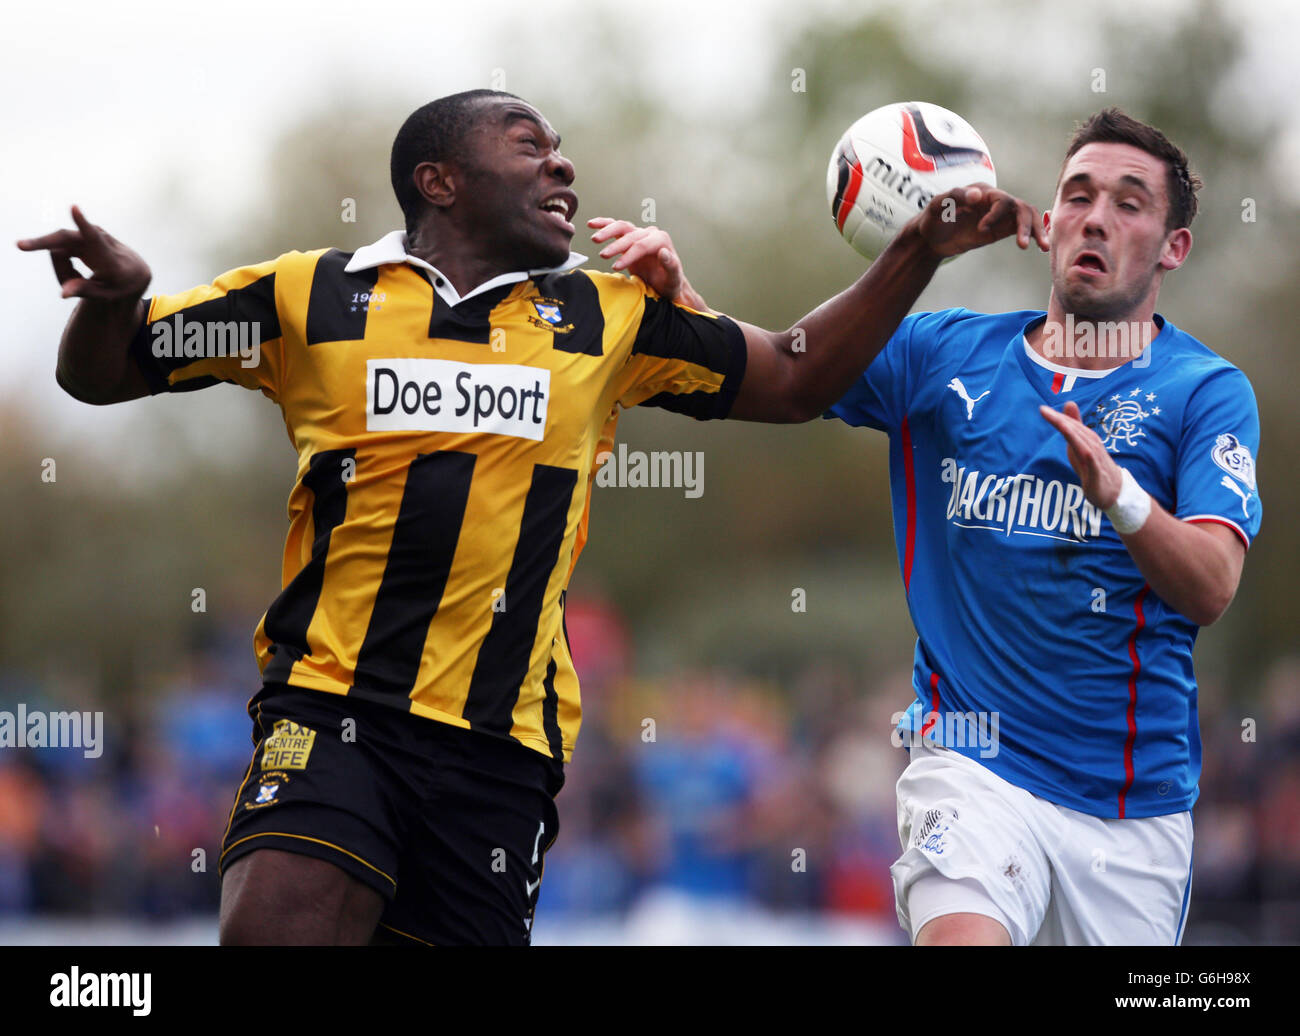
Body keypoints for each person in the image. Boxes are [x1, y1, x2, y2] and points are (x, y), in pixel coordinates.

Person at [18, 88, 1044, 945]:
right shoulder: (310, 297)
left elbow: (793, 376)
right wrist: (115, 299)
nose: (562, 168)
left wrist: (916, 252)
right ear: (439, 180)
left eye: (562, 154)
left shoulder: (608, 316)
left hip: (498, 753)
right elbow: (106, 375)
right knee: (278, 919)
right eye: (530, 147)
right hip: (334, 711)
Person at [819, 108, 1259, 945]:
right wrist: (678, 299)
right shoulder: (940, 355)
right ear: (1048, 222)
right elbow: (787, 369)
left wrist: (1122, 497)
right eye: (1079, 195)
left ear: (1174, 248)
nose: (1096, 216)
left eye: (1130, 203)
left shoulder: (1205, 391)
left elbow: (1211, 585)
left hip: (1129, 814)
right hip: (970, 769)